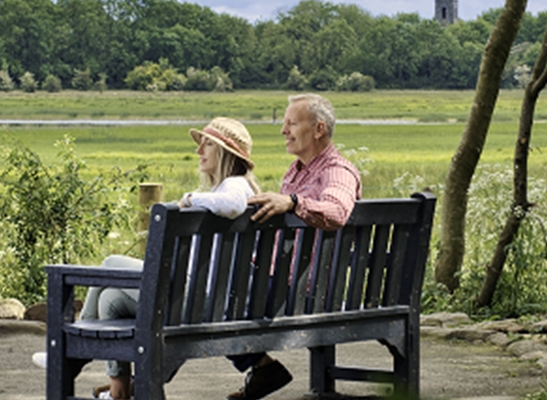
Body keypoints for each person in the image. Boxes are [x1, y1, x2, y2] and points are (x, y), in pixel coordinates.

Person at [35, 117, 260, 400]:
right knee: (110, 301)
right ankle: (119, 391)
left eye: (207, 145)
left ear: (226, 153)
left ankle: (74, 357)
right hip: (197, 298)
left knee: (111, 263)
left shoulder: (236, 186)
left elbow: (233, 205)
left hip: (196, 301)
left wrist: (190, 198)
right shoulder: (226, 187)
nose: (198, 151)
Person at [225, 93, 362, 400]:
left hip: (302, 293)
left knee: (208, 295)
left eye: (291, 123)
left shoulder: (337, 171)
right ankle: (261, 368)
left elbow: (337, 211)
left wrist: (293, 202)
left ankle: (138, 382)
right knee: (204, 290)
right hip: (284, 283)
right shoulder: (296, 170)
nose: (283, 130)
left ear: (319, 129)